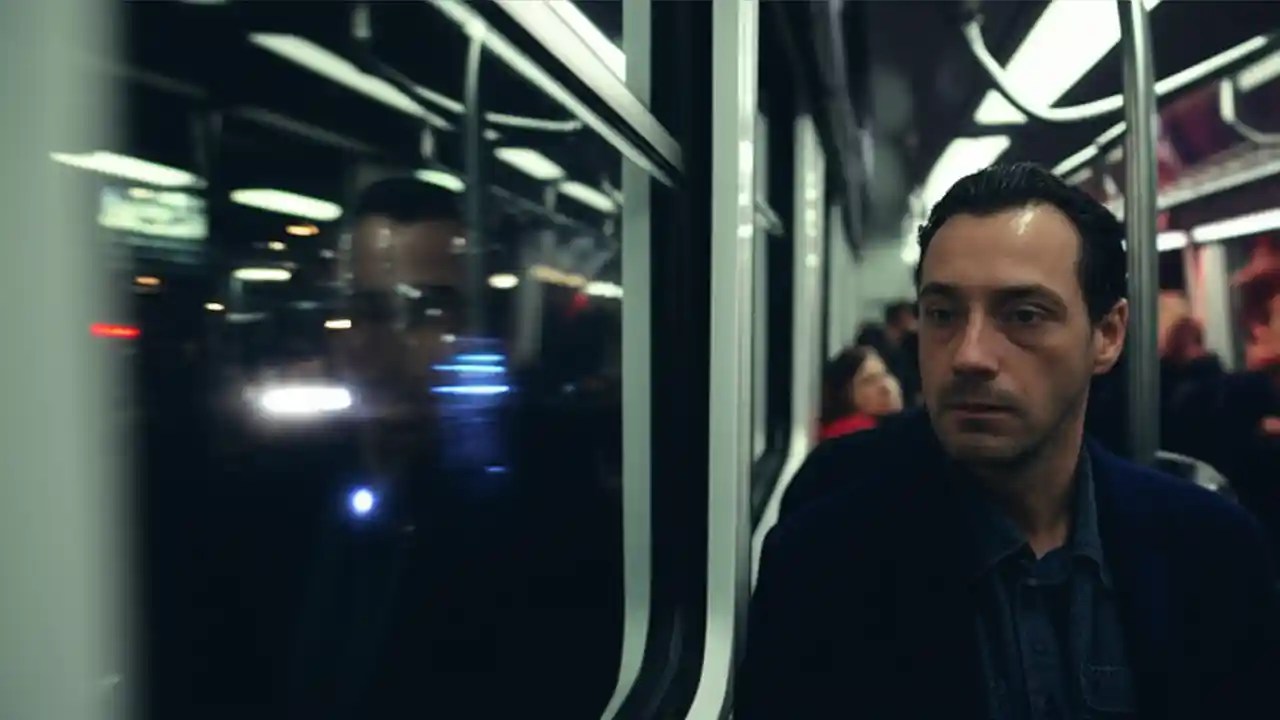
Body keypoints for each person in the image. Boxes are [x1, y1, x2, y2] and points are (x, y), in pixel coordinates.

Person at [737, 163, 1279, 720]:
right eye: (943, 314)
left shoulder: (1213, 552)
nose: (969, 355)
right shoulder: (820, 564)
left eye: (1024, 315)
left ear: (1108, 336)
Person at [818, 345, 903, 440]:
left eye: (885, 375)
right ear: (846, 394)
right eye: (869, 381)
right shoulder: (850, 433)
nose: (885, 388)